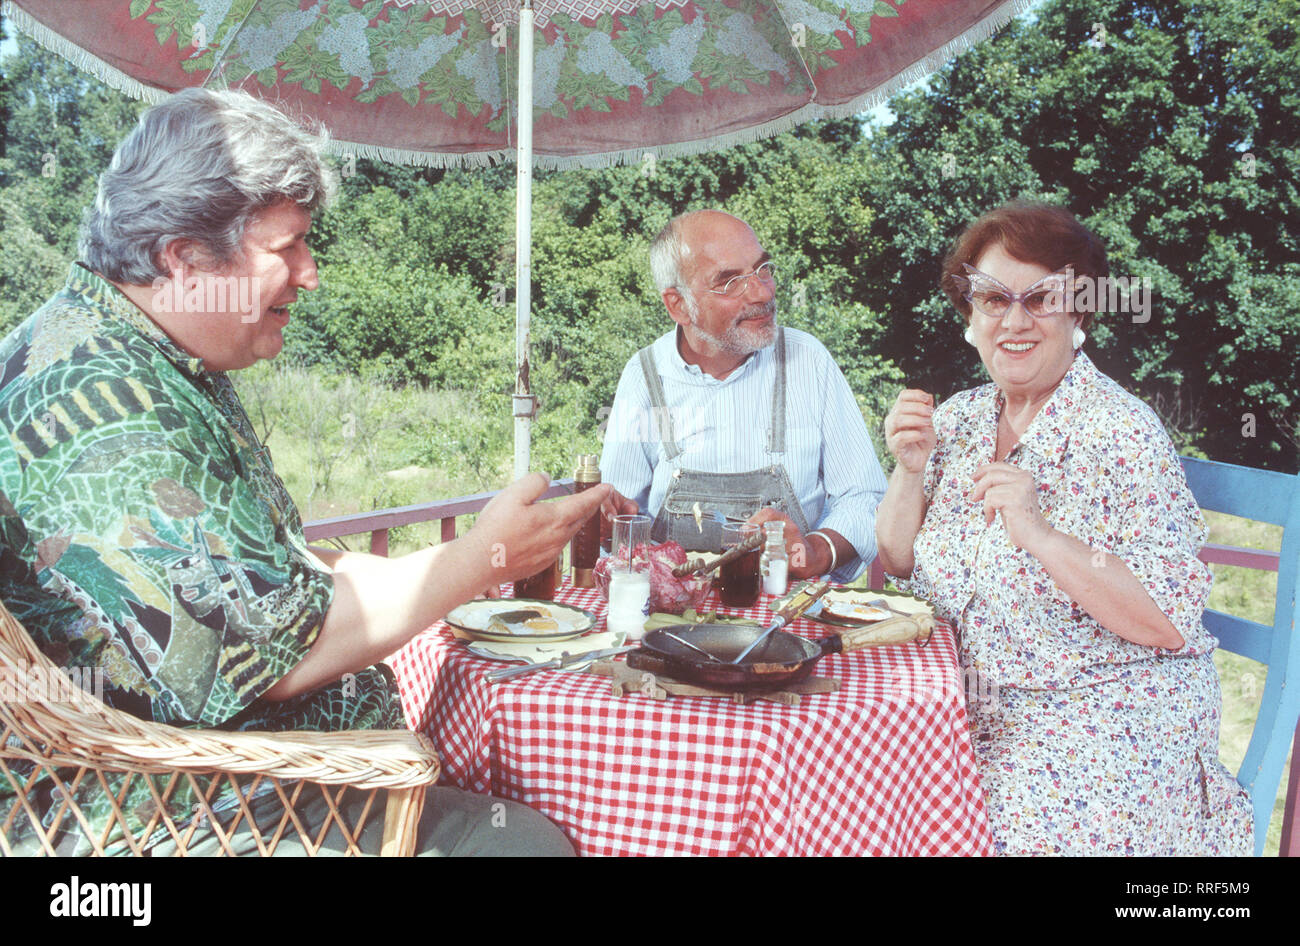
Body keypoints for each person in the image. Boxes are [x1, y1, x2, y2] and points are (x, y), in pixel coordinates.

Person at [0, 88, 610, 856]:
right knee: (522, 840)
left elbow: (261, 573)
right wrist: (484, 556)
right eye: (286, 247)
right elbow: (265, 657)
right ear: (184, 259)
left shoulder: (146, 354)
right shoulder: (104, 404)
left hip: (249, 784)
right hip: (176, 814)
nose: (311, 274)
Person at [874, 200, 1254, 855]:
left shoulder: (1120, 434)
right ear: (971, 316)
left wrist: (1043, 535)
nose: (1015, 321)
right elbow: (899, 559)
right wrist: (909, 471)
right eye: (993, 300)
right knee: (848, 804)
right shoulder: (961, 419)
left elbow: (1166, 618)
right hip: (971, 721)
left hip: (1102, 738)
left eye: (1040, 299)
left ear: (1078, 311)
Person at [599, 210, 887, 583]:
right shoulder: (645, 376)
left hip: (789, 615)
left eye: (763, 268)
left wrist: (815, 550)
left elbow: (864, 497)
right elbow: (615, 519)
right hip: (670, 618)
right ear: (678, 305)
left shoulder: (807, 360)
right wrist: (608, 524)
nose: (762, 292)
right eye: (730, 281)